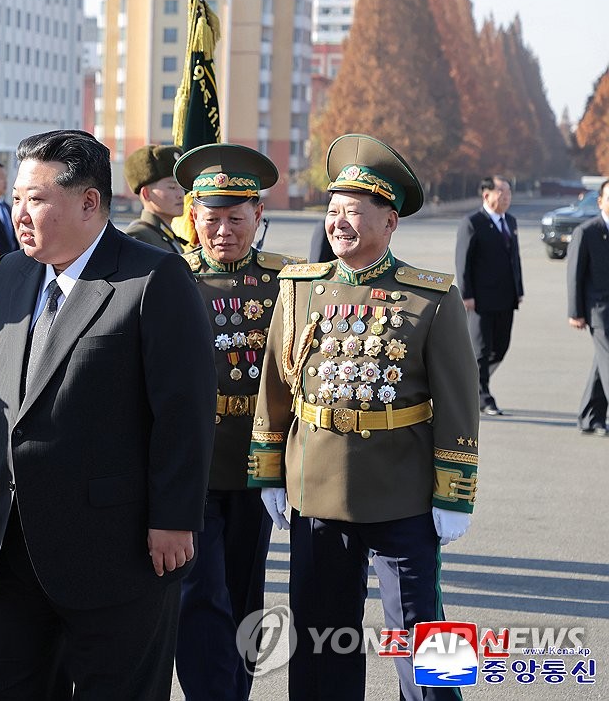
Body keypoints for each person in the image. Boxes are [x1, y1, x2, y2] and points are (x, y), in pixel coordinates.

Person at [0, 129, 216, 699]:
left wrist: (175, 518)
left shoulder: (151, 279)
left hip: (116, 549)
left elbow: (184, 410)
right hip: (13, 545)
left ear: (88, 202)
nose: (20, 214)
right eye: (16, 200)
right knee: (5, 686)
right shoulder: (14, 273)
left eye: (36, 199)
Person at [247, 133, 479, 701]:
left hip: (404, 492)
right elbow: (275, 387)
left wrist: (455, 491)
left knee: (426, 634)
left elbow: (459, 402)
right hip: (317, 490)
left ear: (390, 222)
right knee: (321, 636)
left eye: (353, 212)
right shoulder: (299, 289)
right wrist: (269, 470)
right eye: (332, 211)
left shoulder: (431, 297)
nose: (338, 223)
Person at [172, 144, 300, 700]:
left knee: (245, 592)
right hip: (191, 461)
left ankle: (234, 692)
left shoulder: (287, 282)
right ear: (193, 217)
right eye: (211, 218)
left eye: (235, 219)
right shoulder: (170, 278)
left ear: (258, 218)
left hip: (256, 462)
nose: (223, 230)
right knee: (198, 593)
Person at [455, 175, 523, 416]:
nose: (507, 196)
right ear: (487, 195)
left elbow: (515, 259)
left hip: (506, 298)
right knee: (481, 351)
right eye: (502, 192)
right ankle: (483, 397)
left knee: (500, 348)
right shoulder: (473, 222)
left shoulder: (510, 222)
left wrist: (519, 289)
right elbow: (463, 262)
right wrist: (466, 295)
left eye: (509, 192)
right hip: (480, 300)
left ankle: (471, 385)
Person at [567, 178, 609, 435]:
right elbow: (575, 275)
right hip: (599, 310)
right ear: (601, 201)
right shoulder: (587, 231)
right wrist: (575, 312)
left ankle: (590, 417)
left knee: (601, 361)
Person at [122, 144, 187, 253]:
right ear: (146, 193)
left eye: (181, 188)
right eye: (172, 187)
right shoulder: (139, 237)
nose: (181, 194)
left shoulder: (165, 235)